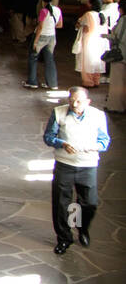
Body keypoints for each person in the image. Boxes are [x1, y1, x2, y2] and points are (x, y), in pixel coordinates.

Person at [43, 87, 111, 255]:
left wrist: (93, 147)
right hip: (64, 164)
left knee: (89, 203)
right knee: (61, 203)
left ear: (88, 102)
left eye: (78, 101)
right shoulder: (59, 113)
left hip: (88, 165)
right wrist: (62, 144)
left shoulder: (97, 116)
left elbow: (104, 141)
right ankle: (64, 238)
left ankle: (82, 227)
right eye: (71, 100)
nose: (74, 104)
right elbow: (48, 137)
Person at [24, 0, 63, 89]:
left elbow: (40, 27)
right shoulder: (58, 10)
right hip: (52, 37)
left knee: (33, 58)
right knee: (49, 59)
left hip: (41, 36)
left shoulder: (43, 11)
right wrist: (50, 26)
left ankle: (32, 81)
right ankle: (52, 83)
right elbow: (59, 25)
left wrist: (35, 41)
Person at [73, 0, 107, 87]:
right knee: (97, 61)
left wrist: (79, 25)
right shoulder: (103, 14)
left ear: (91, 4)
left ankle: (88, 82)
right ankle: (96, 81)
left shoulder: (88, 14)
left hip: (89, 40)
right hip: (100, 41)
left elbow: (86, 28)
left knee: (87, 61)